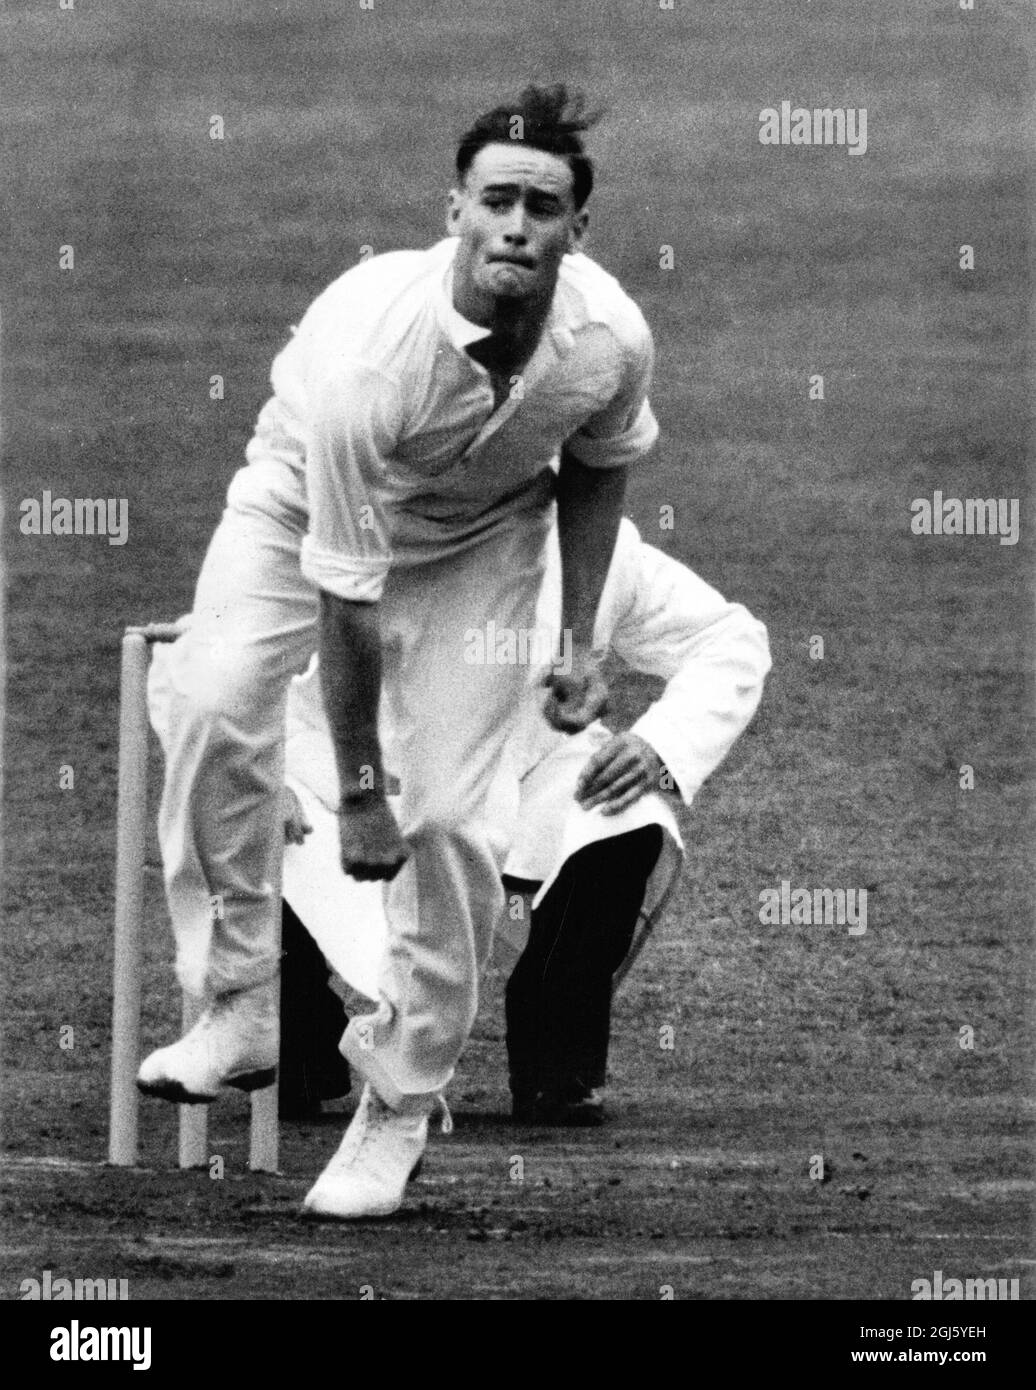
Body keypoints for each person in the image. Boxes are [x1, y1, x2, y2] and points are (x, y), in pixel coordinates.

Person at [136, 85, 662, 1219]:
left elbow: (600, 460)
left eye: (544, 206)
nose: (517, 225)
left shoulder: (610, 337)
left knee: (454, 823)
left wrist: (580, 642)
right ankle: (237, 997)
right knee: (214, 698)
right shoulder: (373, 357)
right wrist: (358, 794)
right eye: (496, 201)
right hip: (299, 514)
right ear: (455, 213)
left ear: (581, 229)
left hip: (480, 538)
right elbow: (346, 600)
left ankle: (401, 1100)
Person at [269, 518, 771, 1126]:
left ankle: (557, 1066)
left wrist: (659, 744)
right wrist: (258, 770)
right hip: (351, 771)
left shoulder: (596, 551)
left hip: (527, 771)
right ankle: (294, 1058)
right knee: (268, 824)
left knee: (627, 818)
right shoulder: (366, 528)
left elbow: (730, 638)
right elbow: (230, 659)